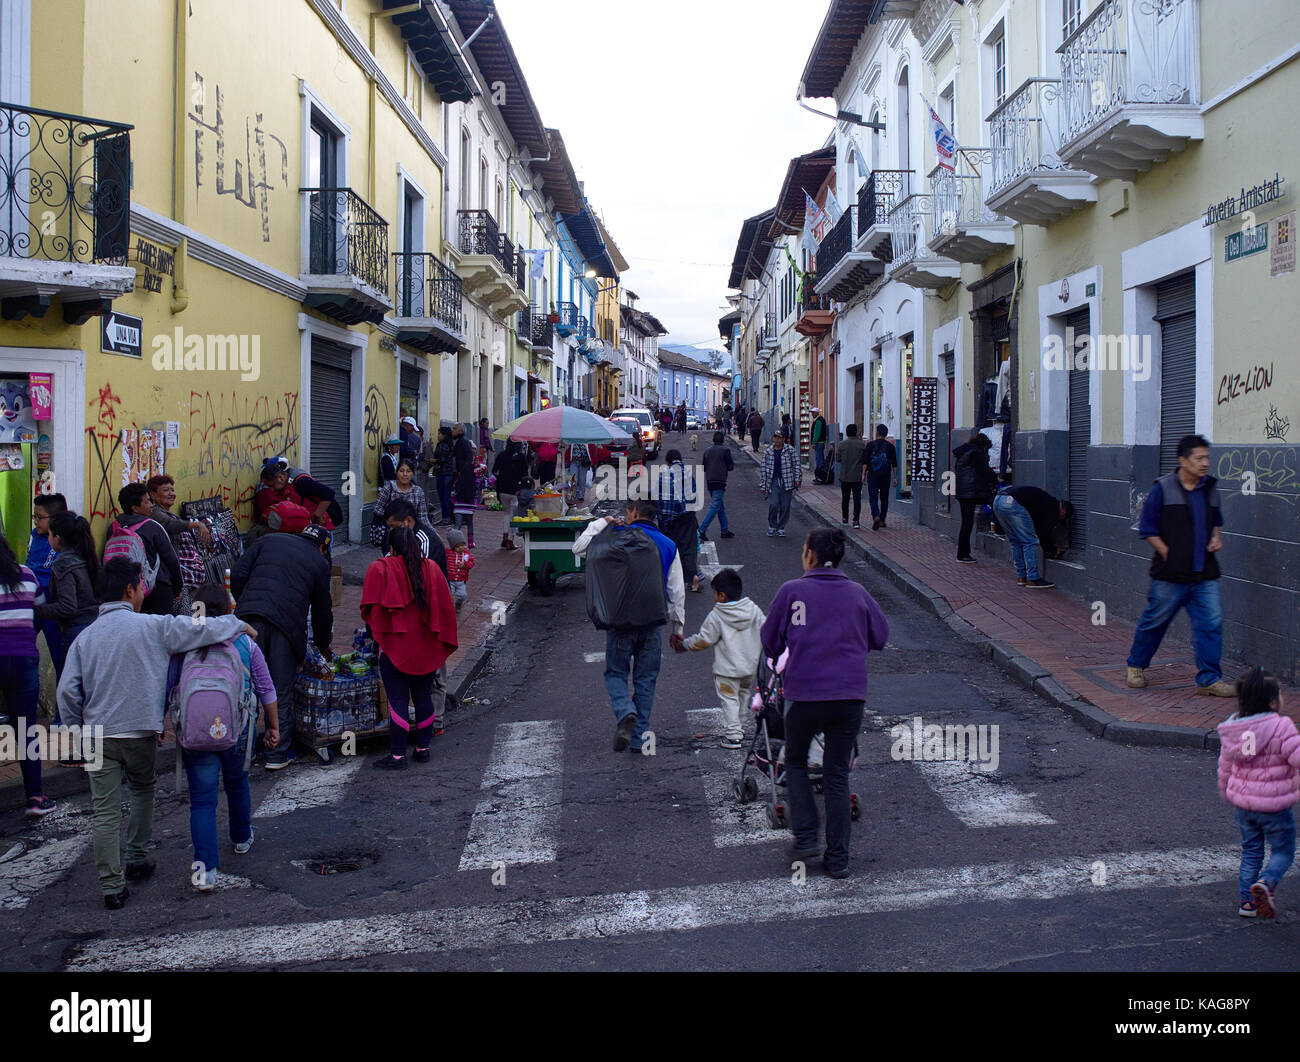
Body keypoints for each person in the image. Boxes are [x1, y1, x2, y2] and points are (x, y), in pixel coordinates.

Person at [58, 557, 253, 909]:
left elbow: (67, 693)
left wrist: (77, 731)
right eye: (140, 586)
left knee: (104, 811)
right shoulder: (154, 626)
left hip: (99, 735)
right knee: (142, 792)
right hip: (140, 732)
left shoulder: (84, 639)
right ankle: (136, 858)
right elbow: (201, 629)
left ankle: (111, 887)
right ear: (131, 590)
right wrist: (238, 624)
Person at [761, 528, 889, 879]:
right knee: (836, 774)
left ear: (810, 556)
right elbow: (880, 636)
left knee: (797, 763)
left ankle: (806, 836)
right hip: (849, 696)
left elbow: (770, 640)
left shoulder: (792, 591)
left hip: (805, 695)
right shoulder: (857, 593)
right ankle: (838, 860)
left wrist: (782, 650)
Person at [181, 583, 279, 892]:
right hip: (236, 727)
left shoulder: (184, 643)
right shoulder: (245, 644)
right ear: (228, 610)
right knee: (237, 783)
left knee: (202, 800)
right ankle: (240, 837)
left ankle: (205, 871)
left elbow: (170, 687)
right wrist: (273, 727)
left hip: (196, 731)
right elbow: (266, 689)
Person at [1125, 433, 1234, 697]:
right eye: (1199, 458)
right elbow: (1148, 529)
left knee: (1211, 623)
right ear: (1183, 461)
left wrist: (1216, 538)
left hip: (1204, 573)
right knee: (1155, 621)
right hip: (1170, 575)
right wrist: (1167, 554)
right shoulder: (1162, 488)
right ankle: (1136, 666)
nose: (1205, 463)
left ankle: (1208, 678)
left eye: (1207, 457)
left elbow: (1216, 519)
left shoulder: (1210, 488)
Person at [573, 498, 684, 754]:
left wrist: (603, 522)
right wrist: (677, 630)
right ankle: (639, 739)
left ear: (634, 512)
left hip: (620, 622)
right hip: (653, 622)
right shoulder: (668, 545)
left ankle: (625, 711)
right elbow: (676, 592)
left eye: (628, 510)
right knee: (646, 680)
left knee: (615, 673)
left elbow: (578, 548)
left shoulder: (617, 536)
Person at [230, 525, 334, 769]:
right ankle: (277, 754)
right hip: (284, 627)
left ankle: (243, 751)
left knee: (245, 685)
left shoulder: (268, 540)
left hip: (246, 621)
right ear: (322, 547)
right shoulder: (319, 562)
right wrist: (321, 646)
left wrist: (247, 603)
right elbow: (322, 611)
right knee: (278, 688)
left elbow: (237, 575)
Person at [362, 526, 458, 770]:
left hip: (394, 648)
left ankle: (397, 756)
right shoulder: (432, 569)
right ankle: (422, 749)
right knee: (423, 697)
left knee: (397, 700)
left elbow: (370, 611)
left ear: (391, 548)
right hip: (426, 648)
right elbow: (446, 607)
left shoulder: (379, 569)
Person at [1217, 667, 1298, 918]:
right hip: (1274, 807)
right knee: (1283, 850)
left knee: (1251, 850)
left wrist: (1227, 791)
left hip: (1244, 806)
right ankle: (1267, 882)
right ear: (1272, 701)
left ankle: (1247, 903)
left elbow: (1225, 766)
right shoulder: (1281, 726)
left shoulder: (1233, 730)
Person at [676, 568, 765, 749]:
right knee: (742, 697)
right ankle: (740, 726)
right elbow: (766, 630)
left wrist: (685, 644)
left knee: (729, 699)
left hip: (727, 670)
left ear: (722, 595)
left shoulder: (717, 615)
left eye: (715, 593)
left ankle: (733, 735)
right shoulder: (753, 609)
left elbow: (704, 640)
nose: (714, 597)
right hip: (749, 667)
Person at [0, 531, 55, 817]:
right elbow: (41, 612)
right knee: (26, 732)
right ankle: (35, 798)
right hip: (24, 660)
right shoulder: (27, 575)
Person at [35, 511, 100, 682]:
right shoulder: (87, 557)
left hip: (76, 632)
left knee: (69, 688)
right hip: (96, 628)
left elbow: (67, 606)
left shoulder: (63, 562)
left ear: (57, 538)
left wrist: (35, 610)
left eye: (49, 534)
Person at [113, 483, 183, 616]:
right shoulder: (152, 527)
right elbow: (171, 559)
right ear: (135, 508)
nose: (151, 505)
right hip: (158, 589)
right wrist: (177, 587)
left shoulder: (114, 527)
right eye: (147, 502)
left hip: (128, 592)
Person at [993, 486, 1073, 589]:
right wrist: (1053, 550)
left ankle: (1022, 577)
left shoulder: (1045, 501)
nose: (1058, 520)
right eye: (1062, 518)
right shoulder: (1053, 508)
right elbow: (1043, 534)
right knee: (1030, 542)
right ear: (1063, 512)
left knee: (1015, 541)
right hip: (1013, 504)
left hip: (999, 499)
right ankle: (1033, 579)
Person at [28, 492, 66, 668]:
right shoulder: (35, 535)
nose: (35, 520)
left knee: (59, 656)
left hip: (53, 604)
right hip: (32, 602)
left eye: (39, 517)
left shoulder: (64, 540)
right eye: (34, 516)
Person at [658, 450, 701, 593]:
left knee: (672, 548)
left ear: (668, 461)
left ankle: (672, 579)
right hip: (688, 516)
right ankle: (693, 578)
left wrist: (661, 518)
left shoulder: (665, 474)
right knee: (688, 548)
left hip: (672, 519)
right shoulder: (687, 472)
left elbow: (661, 498)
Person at [952, 433, 998, 563]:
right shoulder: (976, 453)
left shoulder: (964, 453)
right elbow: (985, 471)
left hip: (963, 492)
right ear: (984, 446)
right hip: (972, 492)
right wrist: (994, 479)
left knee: (966, 522)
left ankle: (963, 553)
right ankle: (962, 554)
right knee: (994, 504)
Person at [372, 459, 435, 550]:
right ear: (396, 472)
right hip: (391, 537)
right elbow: (376, 508)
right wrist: (393, 518)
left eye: (408, 471)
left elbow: (423, 518)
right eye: (401, 471)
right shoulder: (389, 488)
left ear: (413, 474)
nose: (405, 474)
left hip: (411, 537)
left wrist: (433, 534)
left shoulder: (418, 491)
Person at [383, 498, 448, 577]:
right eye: (389, 526)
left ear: (408, 520)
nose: (391, 530)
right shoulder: (394, 536)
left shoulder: (426, 540)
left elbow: (420, 576)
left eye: (394, 526)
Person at [759, 429, 801, 538]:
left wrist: (797, 479)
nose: (777, 440)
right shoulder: (768, 451)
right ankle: (772, 525)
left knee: (785, 506)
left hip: (787, 481)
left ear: (783, 439)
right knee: (774, 504)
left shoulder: (790, 450)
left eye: (779, 438)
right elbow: (763, 468)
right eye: (775, 437)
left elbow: (796, 465)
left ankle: (781, 527)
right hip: (773, 481)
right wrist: (763, 485)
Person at [698, 431, 736, 542]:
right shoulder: (725, 451)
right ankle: (701, 529)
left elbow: (703, 467)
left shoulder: (707, 451)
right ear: (723, 440)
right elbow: (730, 466)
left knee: (720, 507)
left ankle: (724, 530)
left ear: (713, 439)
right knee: (715, 506)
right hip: (720, 480)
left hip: (710, 481)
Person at [492, 442, 529, 551]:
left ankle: (504, 536)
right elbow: (525, 474)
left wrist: (501, 477)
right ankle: (510, 541)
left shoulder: (501, 455)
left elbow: (494, 470)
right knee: (513, 516)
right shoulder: (522, 458)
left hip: (502, 489)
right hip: (515, 490)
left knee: (506, 514)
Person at [865, 426, 899, 531]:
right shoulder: (890, 446)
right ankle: (882, 520)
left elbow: (865, 461)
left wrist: (863, 474)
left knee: (873, 497)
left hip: (872, 475)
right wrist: (895, 478)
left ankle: (876, 516)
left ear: (877, 433)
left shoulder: (870, 445)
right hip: (885, 475)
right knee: (884, 498)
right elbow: (894, 464)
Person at [451, 422, 477, 550]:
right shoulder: (462, 443)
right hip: (468, 498)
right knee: (469, 521)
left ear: (460, 431)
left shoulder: (462, 444)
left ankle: (456, 543)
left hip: (461, 495)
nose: (452, 430)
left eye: (454, 428)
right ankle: (470, 542)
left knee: (459, 522)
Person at [836, 425, 867, 530]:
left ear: (846, 432)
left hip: (845, 476)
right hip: (857, 476)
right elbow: (865, 460)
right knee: (857, 499)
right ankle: (856, 521)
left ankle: (845, 519)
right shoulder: (861, 445)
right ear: (856, 432)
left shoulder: (842, 444)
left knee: (845, 498)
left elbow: (837, 458)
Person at [424, 426, 456, 525]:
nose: (438, 436)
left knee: (444, 496)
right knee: (445, 496)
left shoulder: (443, 445)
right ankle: (447, 517)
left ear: (444, 435)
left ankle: (446, 518)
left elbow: (444, 459)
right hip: (445, 473)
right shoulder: (448, 445)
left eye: (439, 434)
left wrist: (435, 460)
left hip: (443, 474)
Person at [444, 528, 474, 611]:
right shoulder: (449, 553)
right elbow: (442, 554)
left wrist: (465, 564)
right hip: (450, 579)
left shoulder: (467, 554)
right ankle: (448, 608)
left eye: (462, 545)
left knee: (462, 595)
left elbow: (472, 563)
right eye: (458, 546)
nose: (461, 548)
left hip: (461, 580)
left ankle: (459, 603)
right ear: (453, 547)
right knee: (449, 594)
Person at [810, 409, 828, 474]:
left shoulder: (818, 421)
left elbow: (816, 433)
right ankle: (821, 474)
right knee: (820, 459)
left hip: (819, 443)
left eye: (813, 412)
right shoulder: (820, 420)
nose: (812, 414)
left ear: (817, 413)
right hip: (821, 442)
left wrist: (814, 443)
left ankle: (820, 475)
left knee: (819, 460)